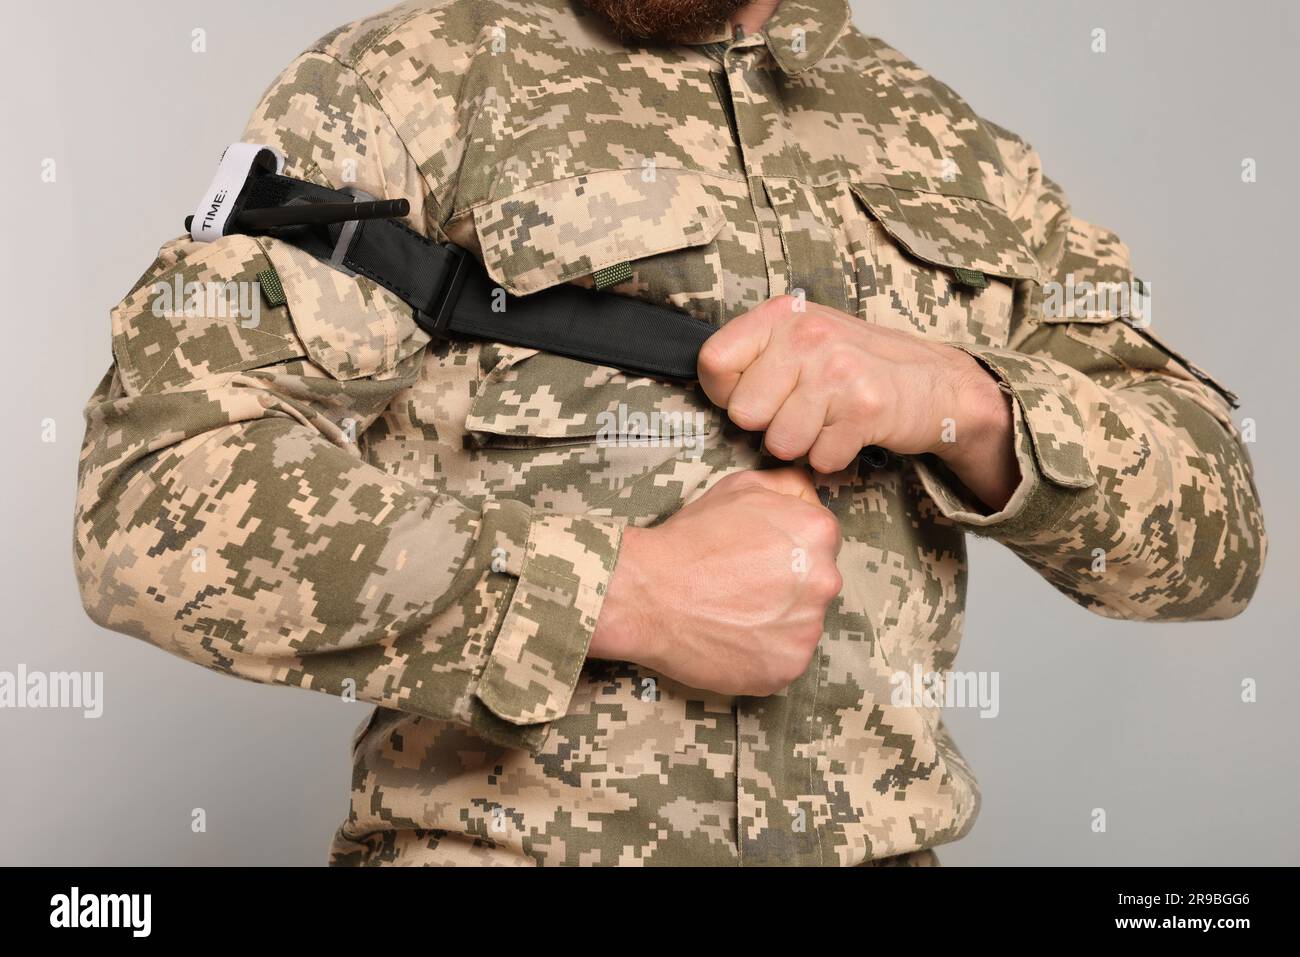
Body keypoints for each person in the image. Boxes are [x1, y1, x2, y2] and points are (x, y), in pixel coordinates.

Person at [74, 0, 1266, 866]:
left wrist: (964, 398)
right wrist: (619, 594)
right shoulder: (409, 82)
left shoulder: (967, 155)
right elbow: (150, 493)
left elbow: (1219, 536)